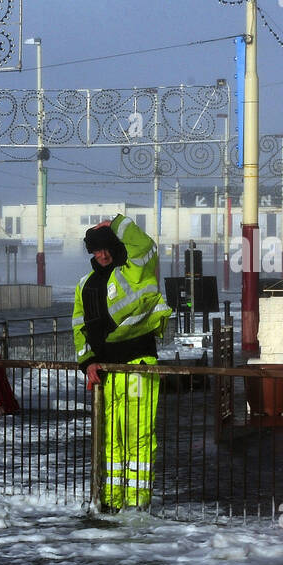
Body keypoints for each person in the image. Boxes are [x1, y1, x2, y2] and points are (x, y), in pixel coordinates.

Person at [72, 215, 171, 511]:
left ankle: (138, 504)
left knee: (139, 434)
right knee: (111, 439)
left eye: (106, 248)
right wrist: (87, 361)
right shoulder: (84, 285)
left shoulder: (134, 271)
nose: (101, 255)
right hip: (106, 371)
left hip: (140, 364)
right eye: (95, 250)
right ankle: (113, 503)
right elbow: (79, 327)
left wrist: (116, 223)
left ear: (115, 246)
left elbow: (144, 245)